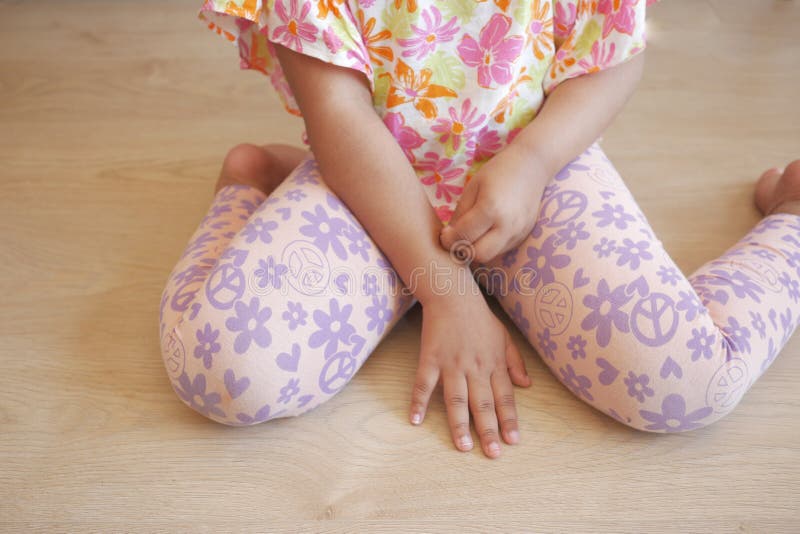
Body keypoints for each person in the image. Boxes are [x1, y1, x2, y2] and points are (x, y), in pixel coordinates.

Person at [159, 0, 800, 459]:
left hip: (536, 169)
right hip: (367, 176)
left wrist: (534, 161)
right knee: (221, 370)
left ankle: (793, 217)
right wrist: (447, 290)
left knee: (686, 384)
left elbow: (613, 53)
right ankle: (250, 181)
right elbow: (336, 108)